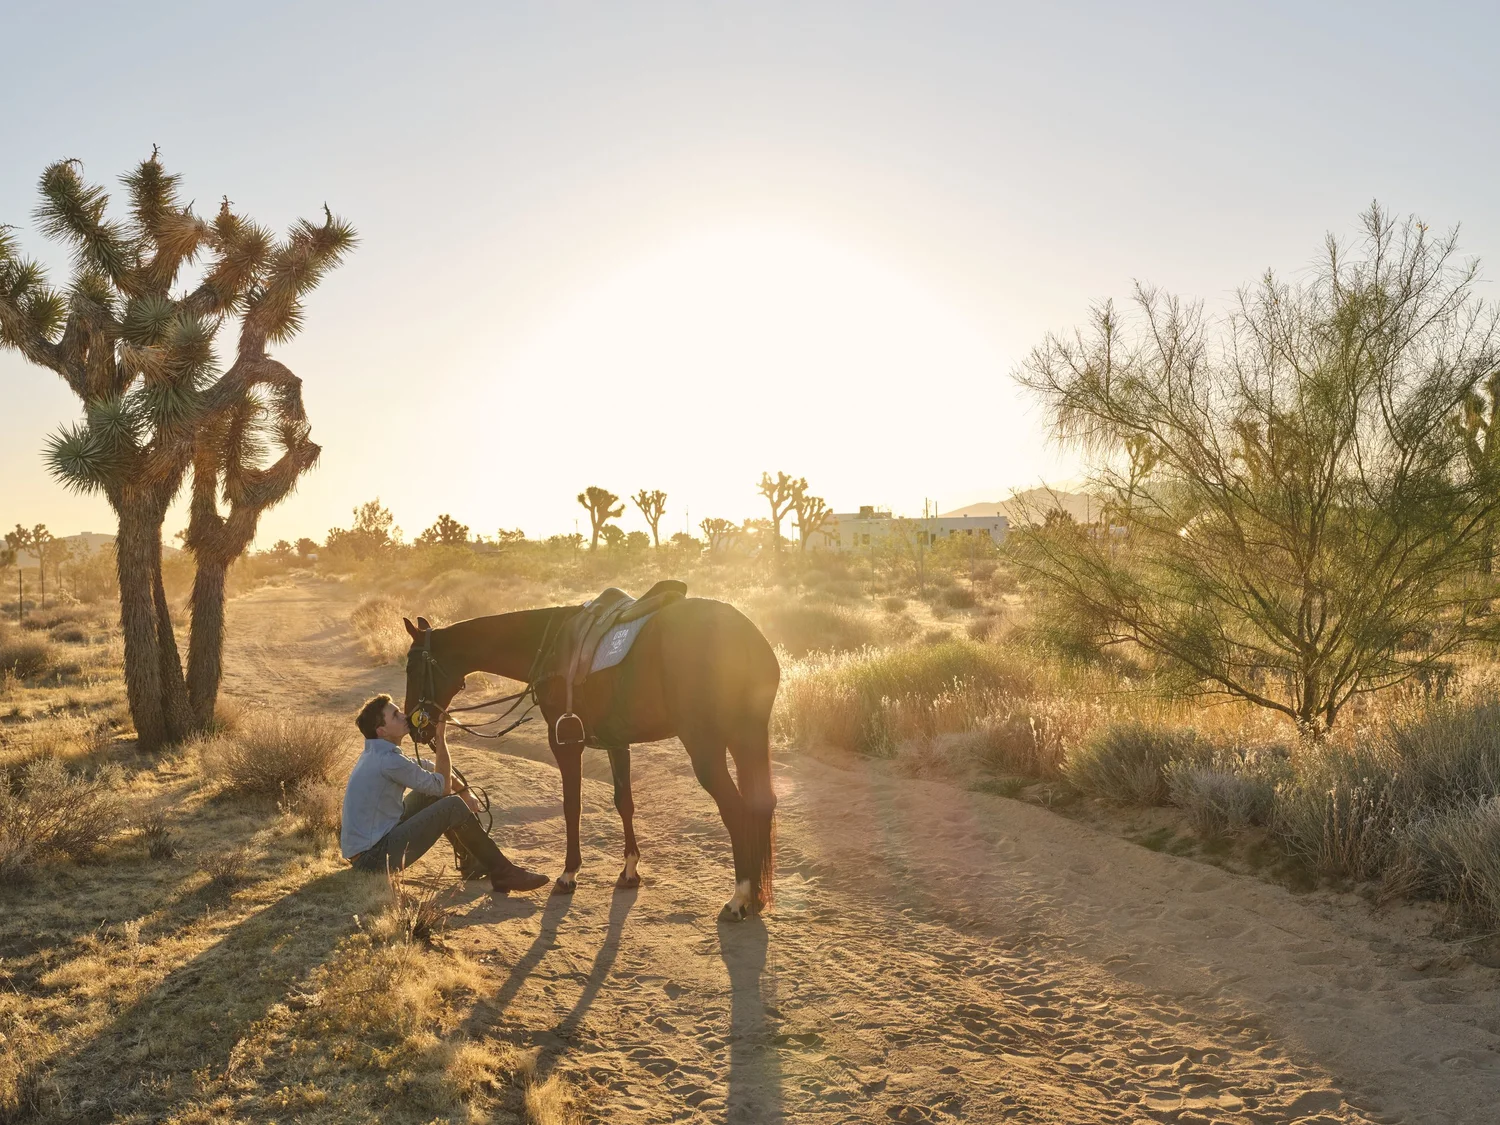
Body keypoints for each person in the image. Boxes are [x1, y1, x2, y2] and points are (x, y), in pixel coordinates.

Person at [342, 694, 549, 893]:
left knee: (432, 795)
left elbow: (430, 768)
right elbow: (442, 786)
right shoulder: (388, 760)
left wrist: (464, 791)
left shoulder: (378, 753)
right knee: (451, 806)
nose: (404, 716)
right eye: (395, 715)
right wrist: (440, 738)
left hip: (371, 849)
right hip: (374, 860)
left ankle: (472, 862)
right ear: (382, 731)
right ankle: (504, 872)